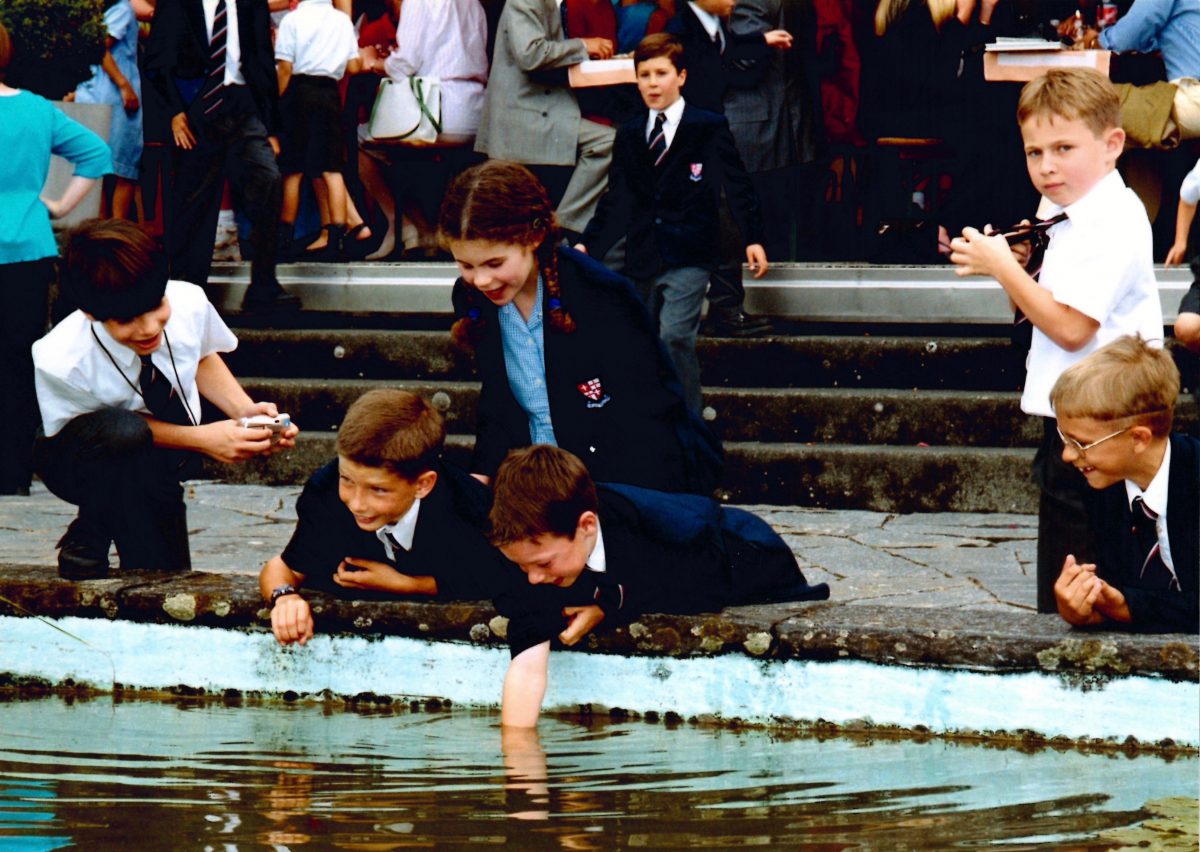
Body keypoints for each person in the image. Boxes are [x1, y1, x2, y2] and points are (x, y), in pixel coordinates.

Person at [949, 68, 1165, 614]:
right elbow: (1048, 306)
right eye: (1034, 152)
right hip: (1072, 407)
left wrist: (1004, 270)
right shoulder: (1060, 209)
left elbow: (1072, 328)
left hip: (1110, 415)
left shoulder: (1112, 216)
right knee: (1066, 534)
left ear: (1112, 144)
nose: (1046, 166)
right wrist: (1025, 263)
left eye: (1064, 148)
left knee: (1094, 550)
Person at [489, 445, 830, 727]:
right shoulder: (539, 554)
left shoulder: (648, 535)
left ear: (587, 527)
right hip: (656, 561)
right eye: (522, 566)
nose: (533, 577)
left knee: (702, 581)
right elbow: (527, 659)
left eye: (543, 564)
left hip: (736, 550)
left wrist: (608, 604)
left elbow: (701, 588)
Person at [32, 219, 299, 579]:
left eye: (155, 306)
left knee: (165, 577)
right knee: (124, 434)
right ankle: (91, 529)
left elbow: (201, 354)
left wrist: (245, 411)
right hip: (80, 458)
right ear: (92, 313)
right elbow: (112, 432)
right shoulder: (60, 356)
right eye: (127, 319)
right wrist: (204, 439)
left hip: (155, 461)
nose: (148, 328)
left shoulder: (188, 300)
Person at [440, 160, 724, 494]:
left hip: (623, 477)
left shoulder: (600, 293)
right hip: (536, 478)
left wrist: (624, 502)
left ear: (534, 235)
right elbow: (498, 397)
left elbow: (648, 408)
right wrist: (482, 475)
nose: (482, 279)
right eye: (466, 265)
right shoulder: (472, 296)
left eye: (494, 263)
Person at [579, 33, 768, 414]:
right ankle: (653, 421)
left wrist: (753, 237)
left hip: (691, 253)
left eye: (661, 73)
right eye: (644, 74)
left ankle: (689, 422)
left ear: (680, 77)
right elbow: (617, 198)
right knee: (644, 339)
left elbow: (737, 184)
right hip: (644, 255)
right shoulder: (631, 133)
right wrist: (590, 244)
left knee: (675, 335)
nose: (652, 83)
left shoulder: (707, 126)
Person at [261, 389, 510, 646]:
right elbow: (284, 567)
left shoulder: (470, 508)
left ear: (423, 484)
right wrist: (284, 597)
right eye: (346, 479)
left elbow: (506, 574)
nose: (357, 504)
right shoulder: (324, 492)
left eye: (378, 490)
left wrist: (409, 584)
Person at [0, 21, 112, 496]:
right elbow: (96, 151)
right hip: (28, 246)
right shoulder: (36, 109)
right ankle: (12, 473)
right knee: (19, 361)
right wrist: (62, 206)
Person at [143, 0, 301, 313]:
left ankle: (264, 286)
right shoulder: (176, 4)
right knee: (194, 200)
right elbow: (156, 64)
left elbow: (262, 61)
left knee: (268, 181)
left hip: (243, 104)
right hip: (195, 105)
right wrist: (175, 112)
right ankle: (188, 292)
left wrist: (271, 128)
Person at [1049, 335, 1198, 633]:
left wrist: (1126, 607)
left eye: (1082, 443)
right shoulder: (1101, 485)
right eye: (1065, 439)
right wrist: (1082, 608)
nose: (1068, 454)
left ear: (1139, 438)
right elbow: (1111, 591)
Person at [667, 0, 790, 336]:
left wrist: (762, 42)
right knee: (717, 214)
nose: (735, 1)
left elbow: (728, 50)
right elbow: (710, 69)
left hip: (710, 127)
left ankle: (726, 307)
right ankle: (720, 308)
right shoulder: (680, 29)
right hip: (691, 132)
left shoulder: (712, 25)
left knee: (725, 211)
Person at [474, 0, 616, 238]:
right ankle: (562, 226)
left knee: (615, 133)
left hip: (545, 105)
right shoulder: (525, 1)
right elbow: (531, 55)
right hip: (525, 111)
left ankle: (561, 225)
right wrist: (583, 45)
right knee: (607, 141)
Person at [274, 0, 361, 260]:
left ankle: (284, 239)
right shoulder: (341, 21)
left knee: (293, 170)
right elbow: (354, 66)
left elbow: (285, 69)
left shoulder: (292, 20)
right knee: (332, 168)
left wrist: (274, 105)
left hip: (299, 93)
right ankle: (336, 238)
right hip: (330, 94)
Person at [72, 0, 143, 220]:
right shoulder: (122, 8)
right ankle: (117, 236)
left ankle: (100, 232)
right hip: (113, 95)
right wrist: (124, 85)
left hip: (93, 93)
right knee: (124, 170)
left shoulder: (97, 12)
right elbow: (102, 47)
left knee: (98, 170)